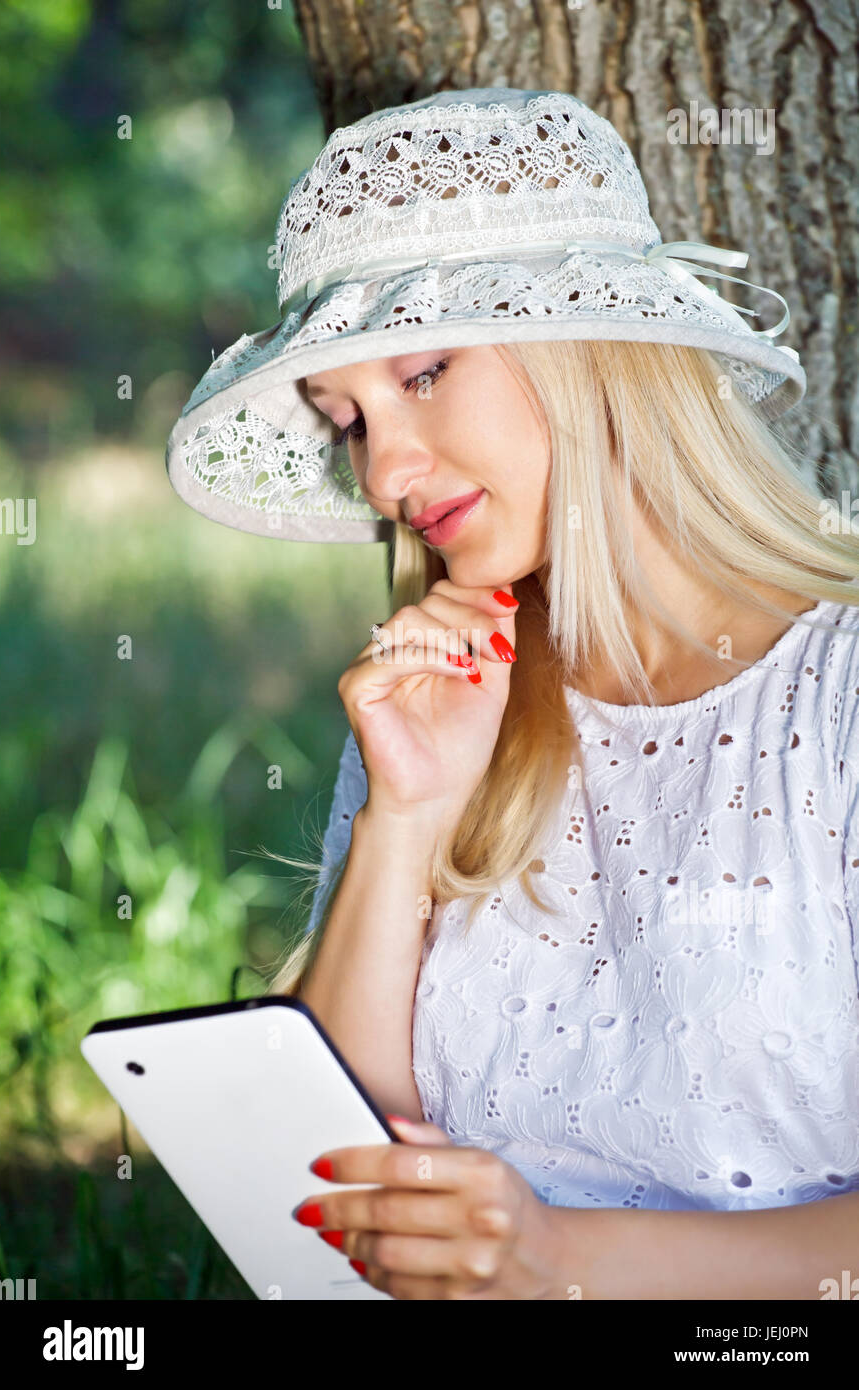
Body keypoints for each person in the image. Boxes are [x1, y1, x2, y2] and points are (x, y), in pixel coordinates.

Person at [166, 88, 859, 1299]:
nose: (384, 472)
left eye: (423, 372)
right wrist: (404, 817)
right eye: (348, 425)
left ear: (586, 336)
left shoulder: (835, 702)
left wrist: (559, 1260)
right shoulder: (448, 707)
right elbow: (323, 1193)